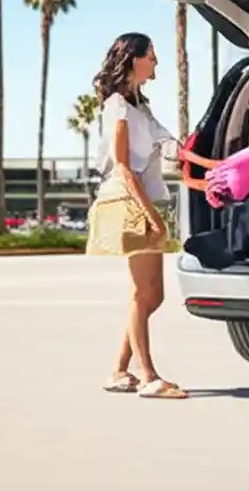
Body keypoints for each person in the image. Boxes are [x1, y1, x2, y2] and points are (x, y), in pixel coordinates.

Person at [86, 32, 187, 400]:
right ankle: (148, 377)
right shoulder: (117, 106)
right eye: (152, 55)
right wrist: (153, 219)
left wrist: (223, 165)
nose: (156, 62)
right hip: (132, 204)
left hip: (150, 202)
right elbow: (125, 168)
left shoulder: (141, 108)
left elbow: (175, 147)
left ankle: (119, 370)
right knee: (142, 293)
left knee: (152, 296)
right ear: (134, 59)